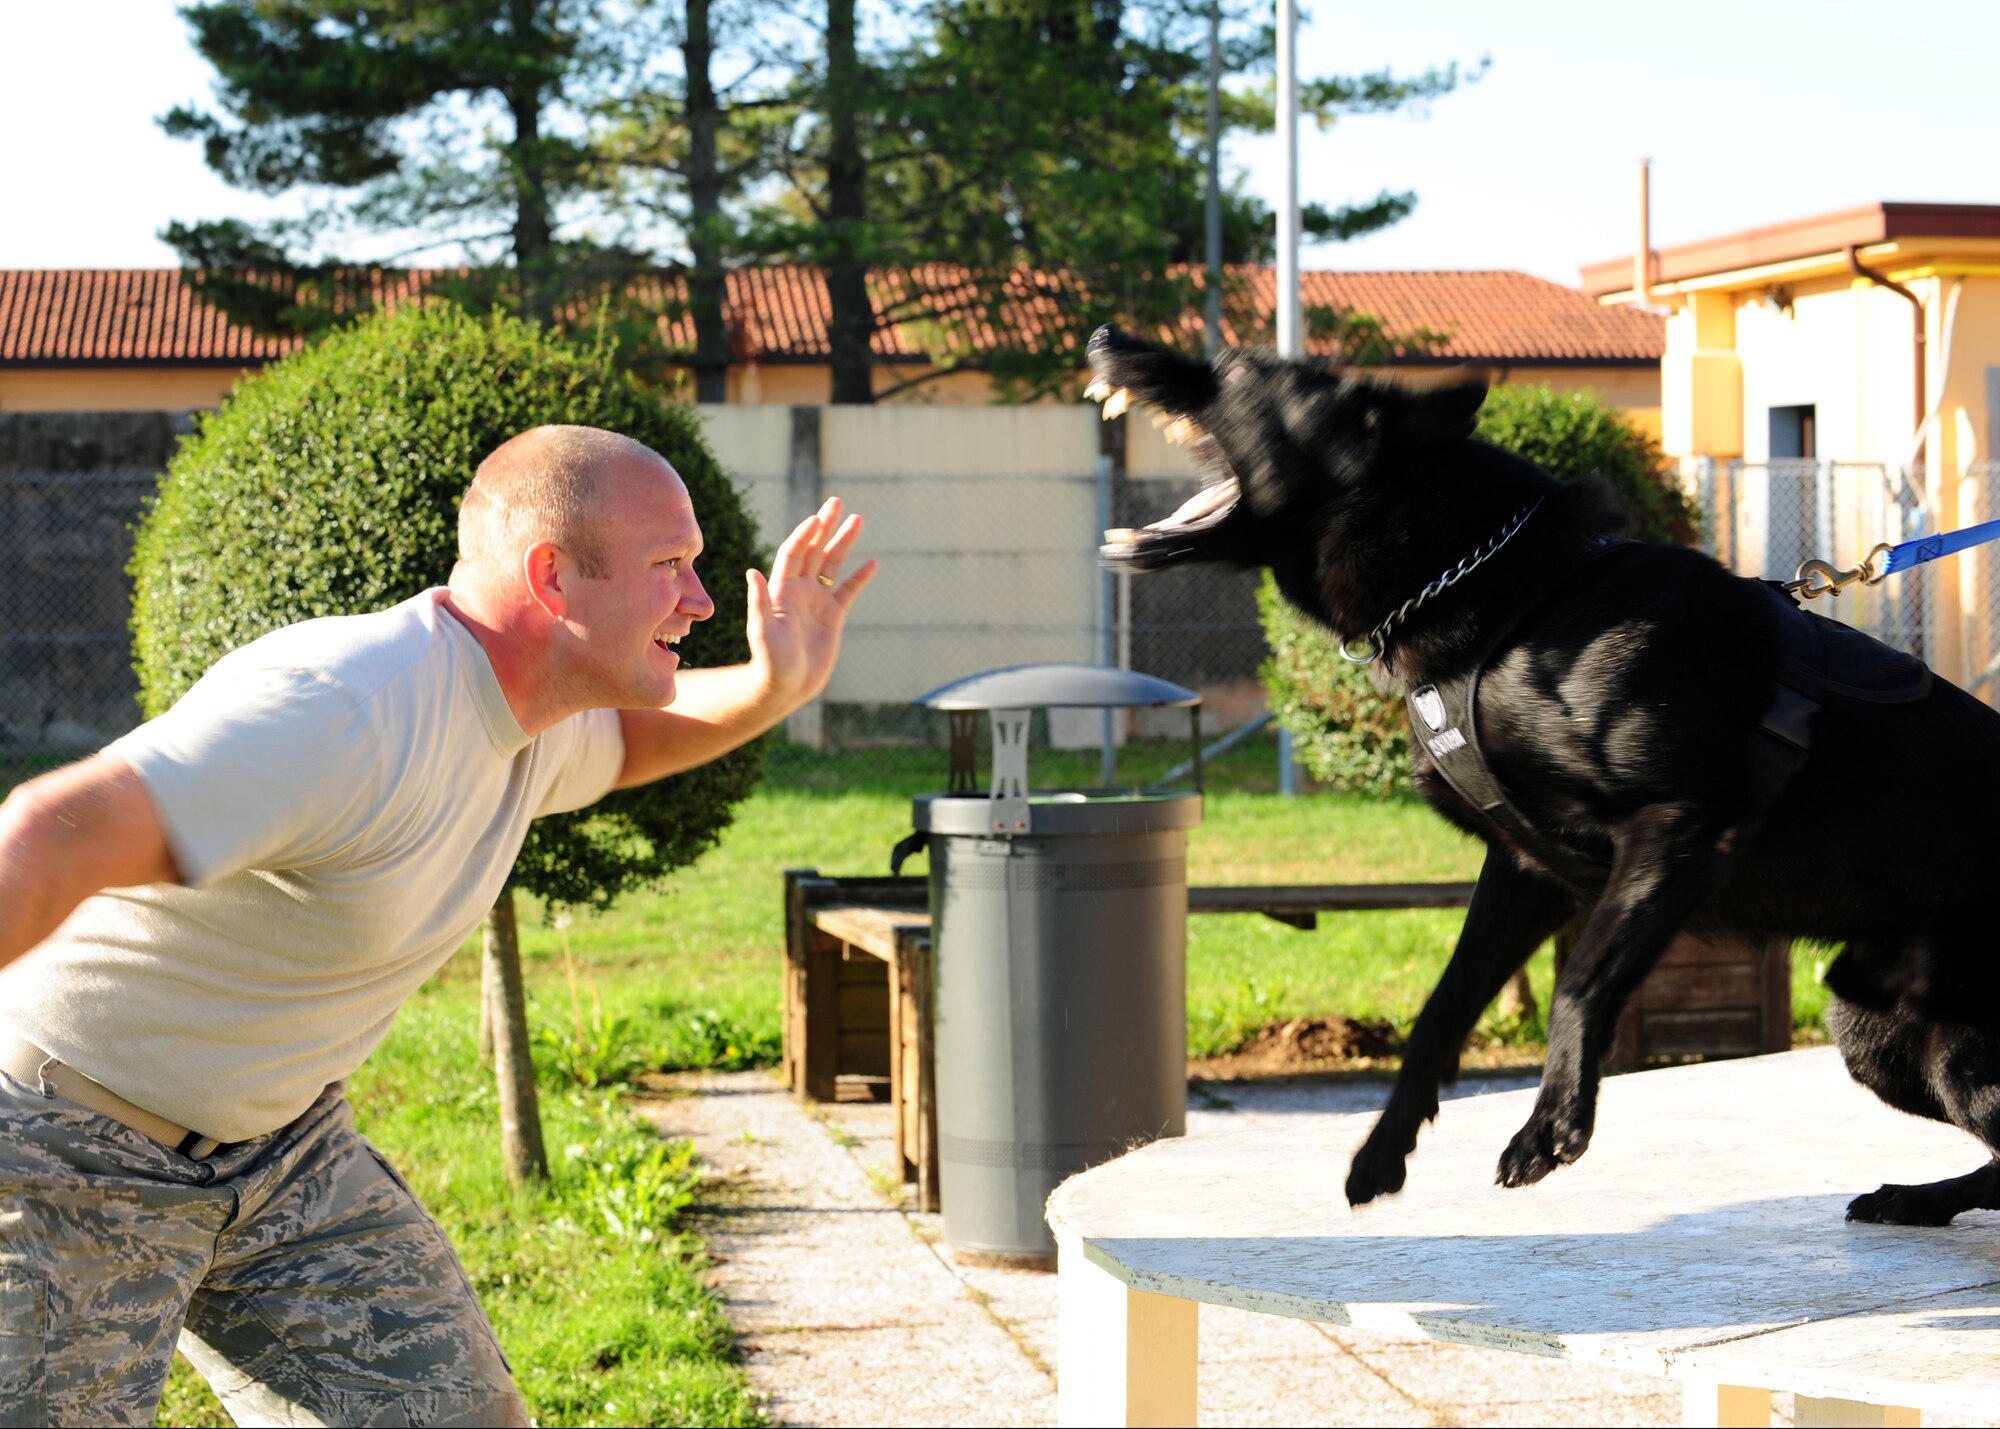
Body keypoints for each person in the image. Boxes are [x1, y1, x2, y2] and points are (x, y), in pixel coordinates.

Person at [0, 424, 877, 1427]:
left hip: (280, 1152)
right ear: (553, 579)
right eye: (669, 566)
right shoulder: (345, 709)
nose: (702, 601)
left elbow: (628, 738)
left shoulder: (529, 717)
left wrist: (775, 686)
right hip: (67, 1150)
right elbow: (48, 829)